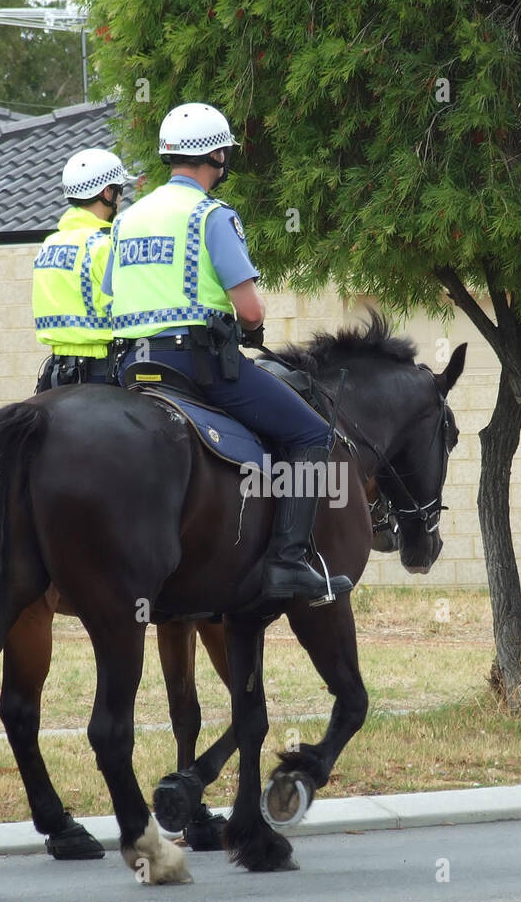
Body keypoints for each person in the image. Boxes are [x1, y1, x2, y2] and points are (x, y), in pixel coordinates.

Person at [105, 102, 352, 602]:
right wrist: (244, 326)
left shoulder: (127, 220)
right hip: (197, 366)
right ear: (216, 156)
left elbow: (115, 294)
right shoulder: (211, 216)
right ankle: (288, 563)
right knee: (311, 432)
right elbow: (251, 310)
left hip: (134, 367)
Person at [32, 147, 131, 390]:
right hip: (103, 372)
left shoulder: (49, 244)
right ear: (108, 192)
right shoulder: (105, 243)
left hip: (55, 375)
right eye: (120, 192)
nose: (120, 200)